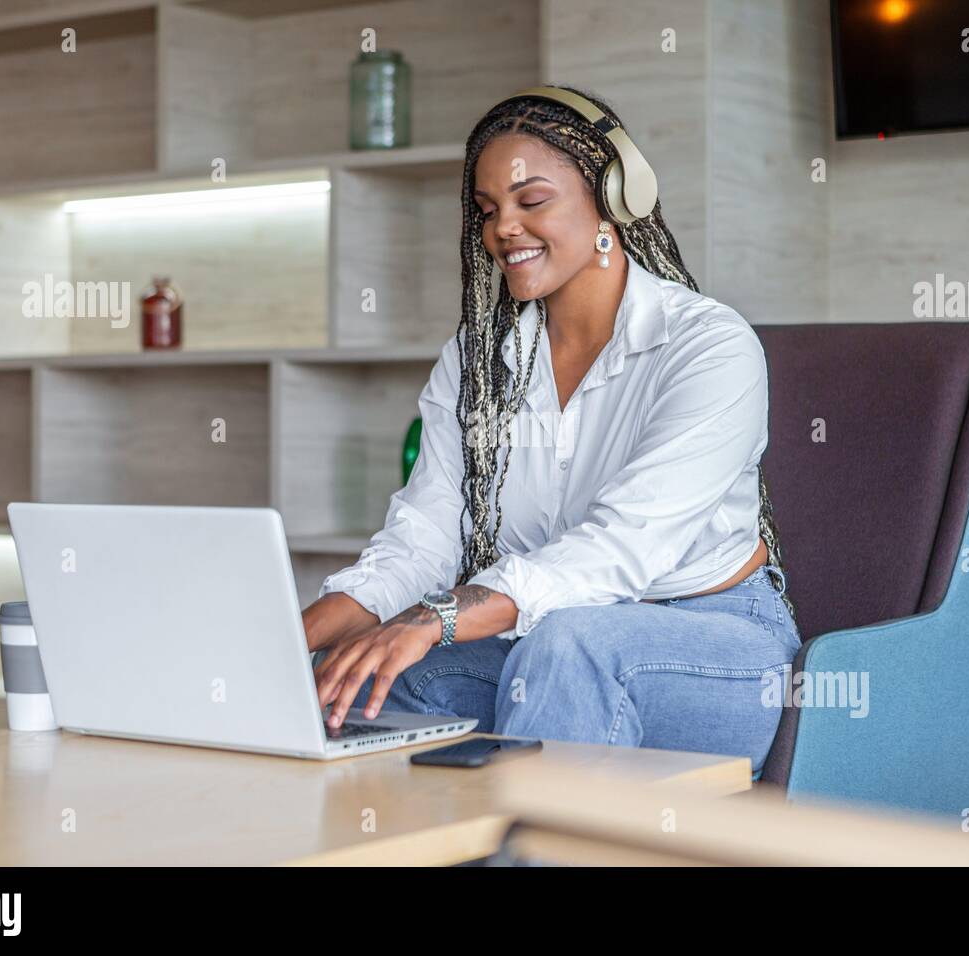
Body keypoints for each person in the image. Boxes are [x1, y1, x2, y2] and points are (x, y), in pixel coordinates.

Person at [301, 86, 800, 769]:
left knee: (569, 646)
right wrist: (292, 638)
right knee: (361, 678)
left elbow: (620, 550)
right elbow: (422, 541)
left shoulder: (709, 347)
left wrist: (436, 618)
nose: (503, 228)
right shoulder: (476, 362)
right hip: (544, 638)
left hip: (715, 639)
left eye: (531, 201)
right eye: (487, 211)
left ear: (614, 201)